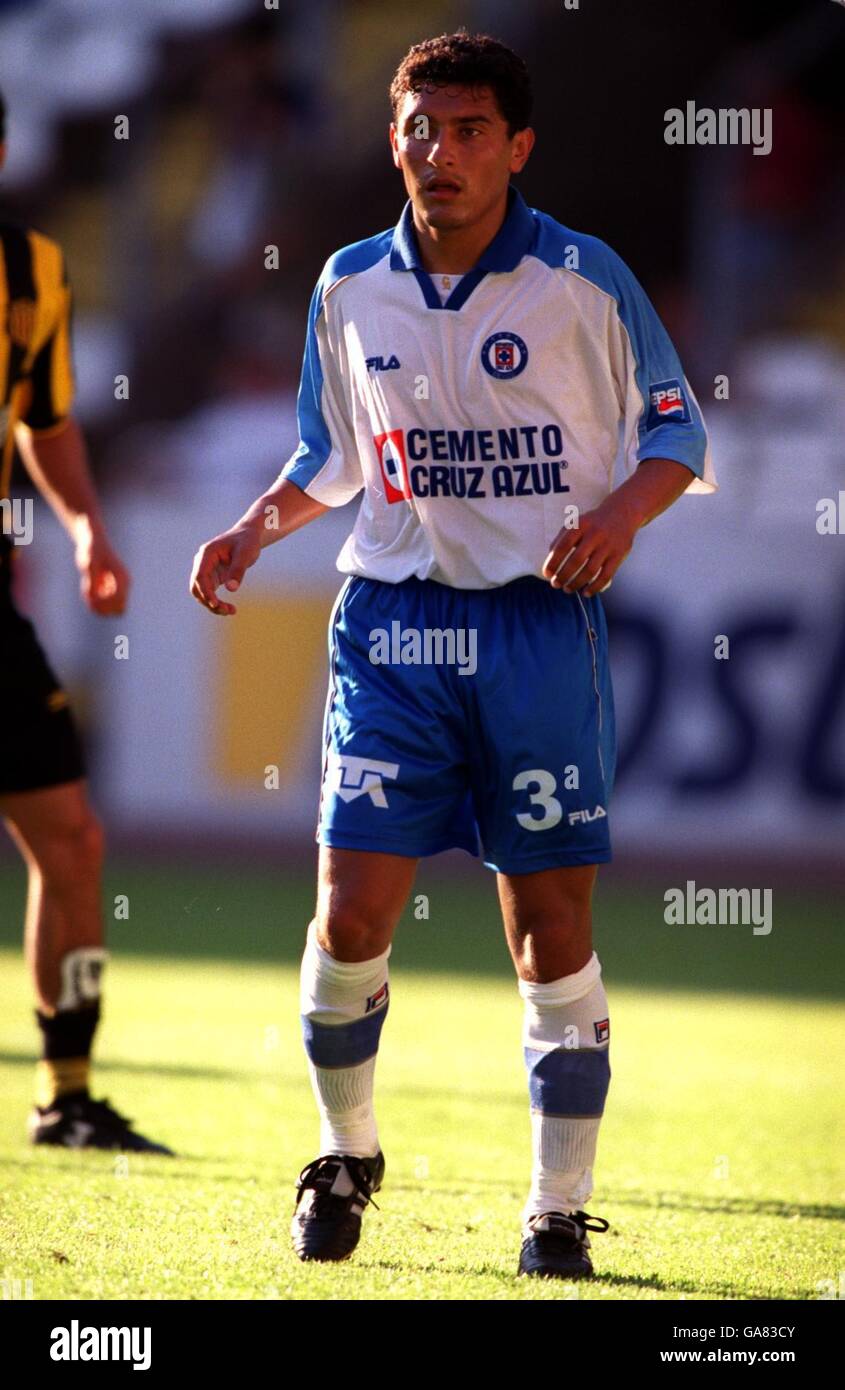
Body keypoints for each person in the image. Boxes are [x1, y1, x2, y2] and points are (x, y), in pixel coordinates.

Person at [190, 31, 715, 1278]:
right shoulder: (345, 285)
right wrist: (254, 526)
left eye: (469, 129)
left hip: (537, 627)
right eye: (419, 129)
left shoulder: (584, 280)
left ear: (517, 147)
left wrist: (614, 515)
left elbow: (677, 431)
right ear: (392, 140)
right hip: (390, 631)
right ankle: (344, 1152)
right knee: (349, 911)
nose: (440, 152)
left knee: (546, 928)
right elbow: (328, 454)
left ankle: (553, 1208)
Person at [0, 90, 171, 1154]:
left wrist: (84, 529)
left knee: (71, 837)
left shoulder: (34, 270)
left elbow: (46, 418)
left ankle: (66, 1094)